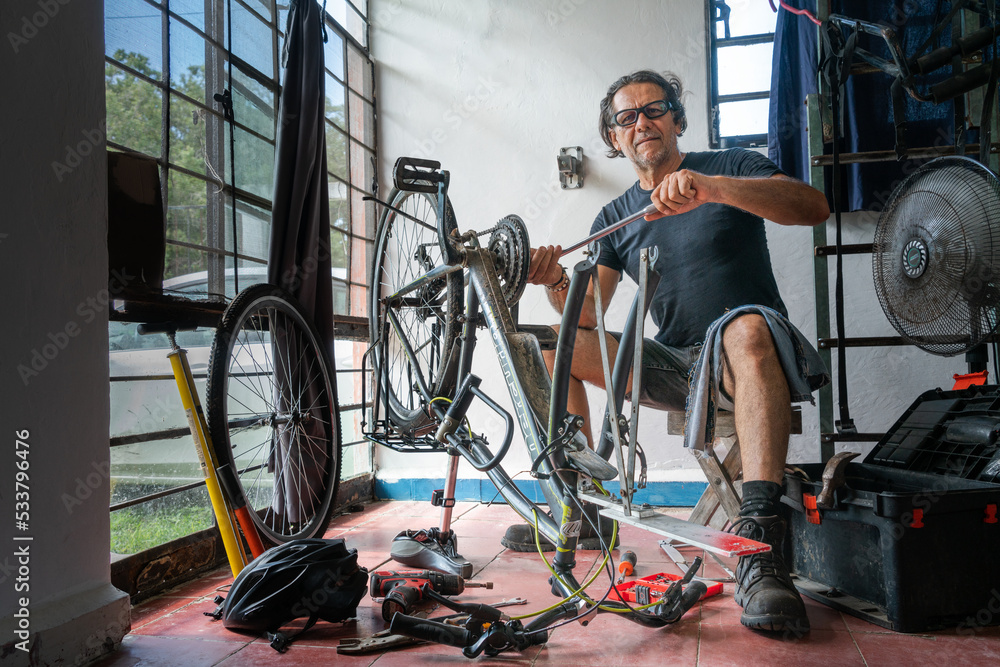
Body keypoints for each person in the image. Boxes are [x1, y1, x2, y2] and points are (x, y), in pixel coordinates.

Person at [505, 70, 830, 634]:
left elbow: (812, 207)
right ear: (614, 139)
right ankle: (582, 505)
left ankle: (760, 549)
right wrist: (557, 278)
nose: (641, 123)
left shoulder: (730, 166)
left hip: (748, 353)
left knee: (746, 326)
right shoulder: (615, 219)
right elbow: (584, 318)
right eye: (626, 117)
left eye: (653, 110)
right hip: (676, 365)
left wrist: (712, 188)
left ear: (677, 120)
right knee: (550, 348)